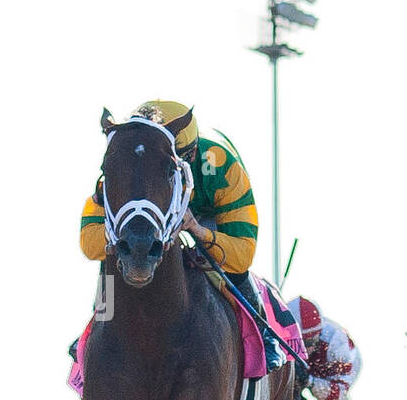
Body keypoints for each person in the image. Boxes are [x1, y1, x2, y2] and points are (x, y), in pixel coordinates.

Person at [79, 99, 281, 368]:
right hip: (153, 217)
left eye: (186, 158)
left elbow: (242, 255)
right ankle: (97, 331)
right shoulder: (127, 161)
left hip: (207, 216)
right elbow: (90, 244)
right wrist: (116, 233)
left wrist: (197, 230)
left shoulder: (222, 166)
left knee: (230, 267)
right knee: (116, 252)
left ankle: (263, 331)